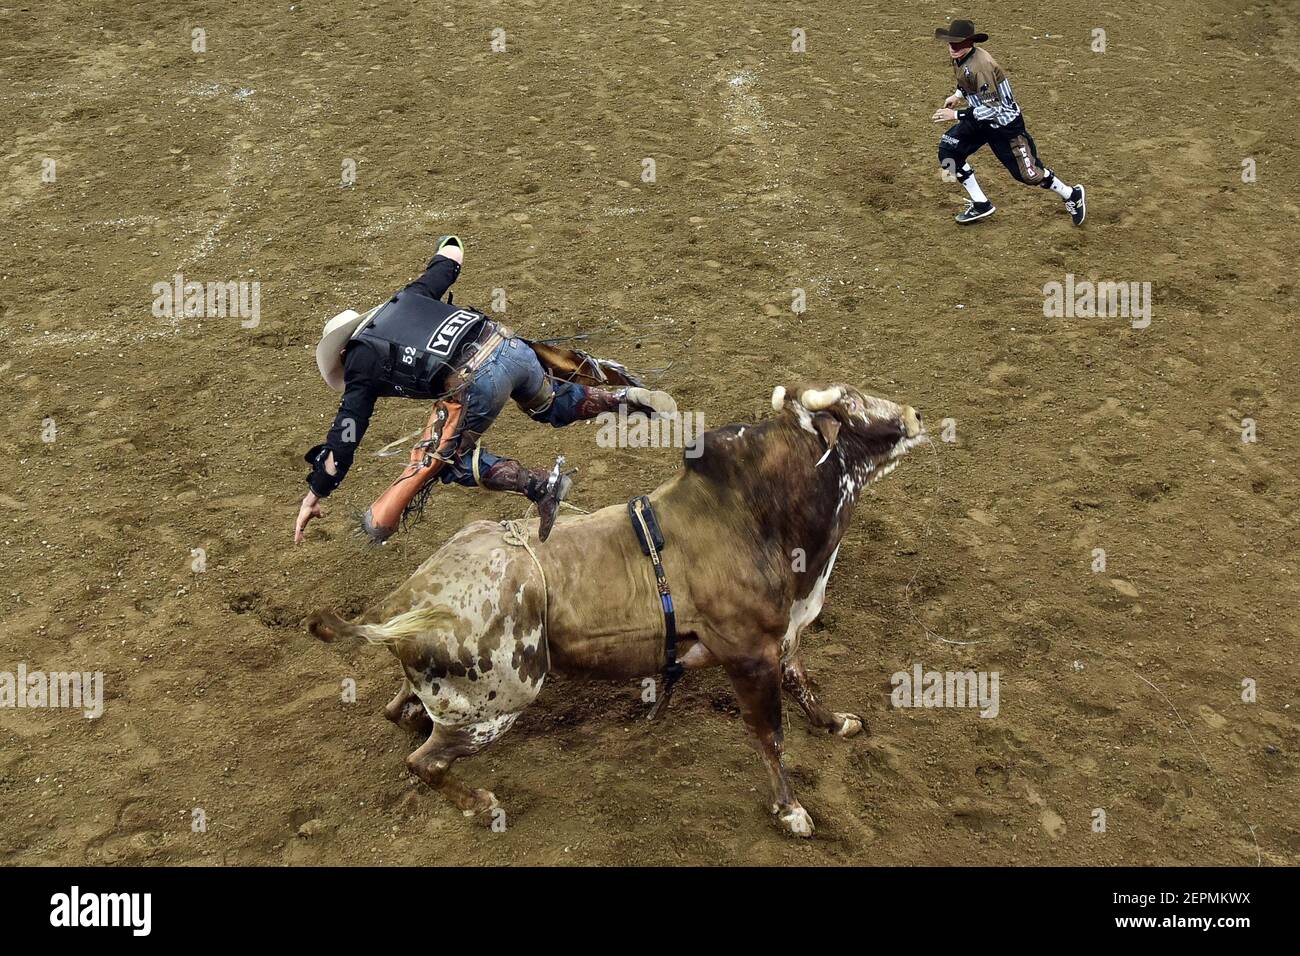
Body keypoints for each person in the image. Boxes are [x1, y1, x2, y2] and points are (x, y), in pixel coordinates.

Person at [294, 235, 676, 544]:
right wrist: (446, 242)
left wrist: (316, 493)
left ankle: (539, 484)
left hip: (474, 382)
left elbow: (346, 435)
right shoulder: (410, 296)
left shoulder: (360, 361)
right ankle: (622, 398)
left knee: (447, 462)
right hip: (510, 346)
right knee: (552, 405)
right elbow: (449, 259)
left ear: (343, 349)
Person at [931, 19, 1087, 226]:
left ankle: (1071, 194)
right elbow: (966, 81)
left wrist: (956, 115)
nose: (953, 48)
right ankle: (981, 204)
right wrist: (958, 94)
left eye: (958, 44)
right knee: (948, 152)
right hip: (979, 119)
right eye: (951, 43)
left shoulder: (981, 66)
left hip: (1003, 126)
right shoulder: (961, 57)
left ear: (970, 43)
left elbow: (994, 108)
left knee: (1029, 175)